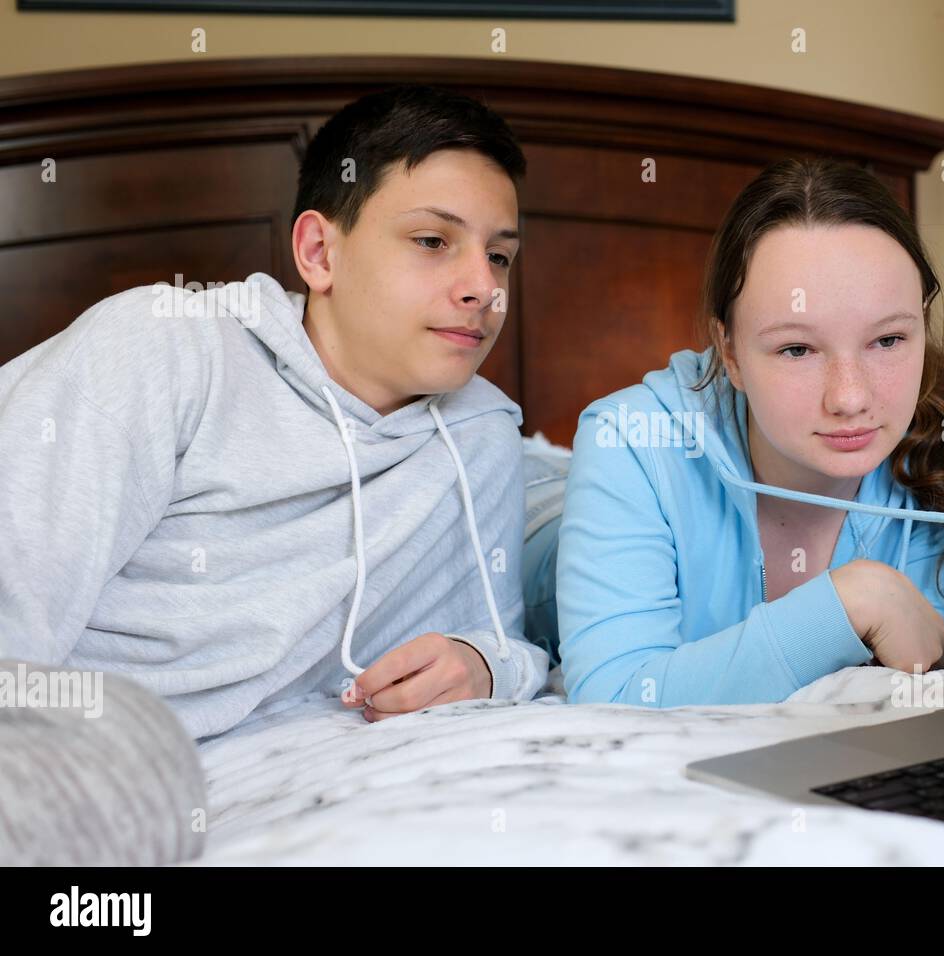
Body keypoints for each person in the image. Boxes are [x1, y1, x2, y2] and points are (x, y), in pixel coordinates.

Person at [0, 85, 550, 738]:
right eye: (433, 240)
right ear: (319, 253)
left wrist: (489, 666)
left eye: (499, 257)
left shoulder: (479, 436)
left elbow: (496, 637)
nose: (484, 289)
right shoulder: (163, 347)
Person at [553, 157, 944, 706]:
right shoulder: (629, 440)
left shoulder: (940, 448)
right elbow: (616, 692)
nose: (851, 398)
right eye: (797, 349)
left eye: (887, 341)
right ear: (730, 353)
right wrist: (847, 602)